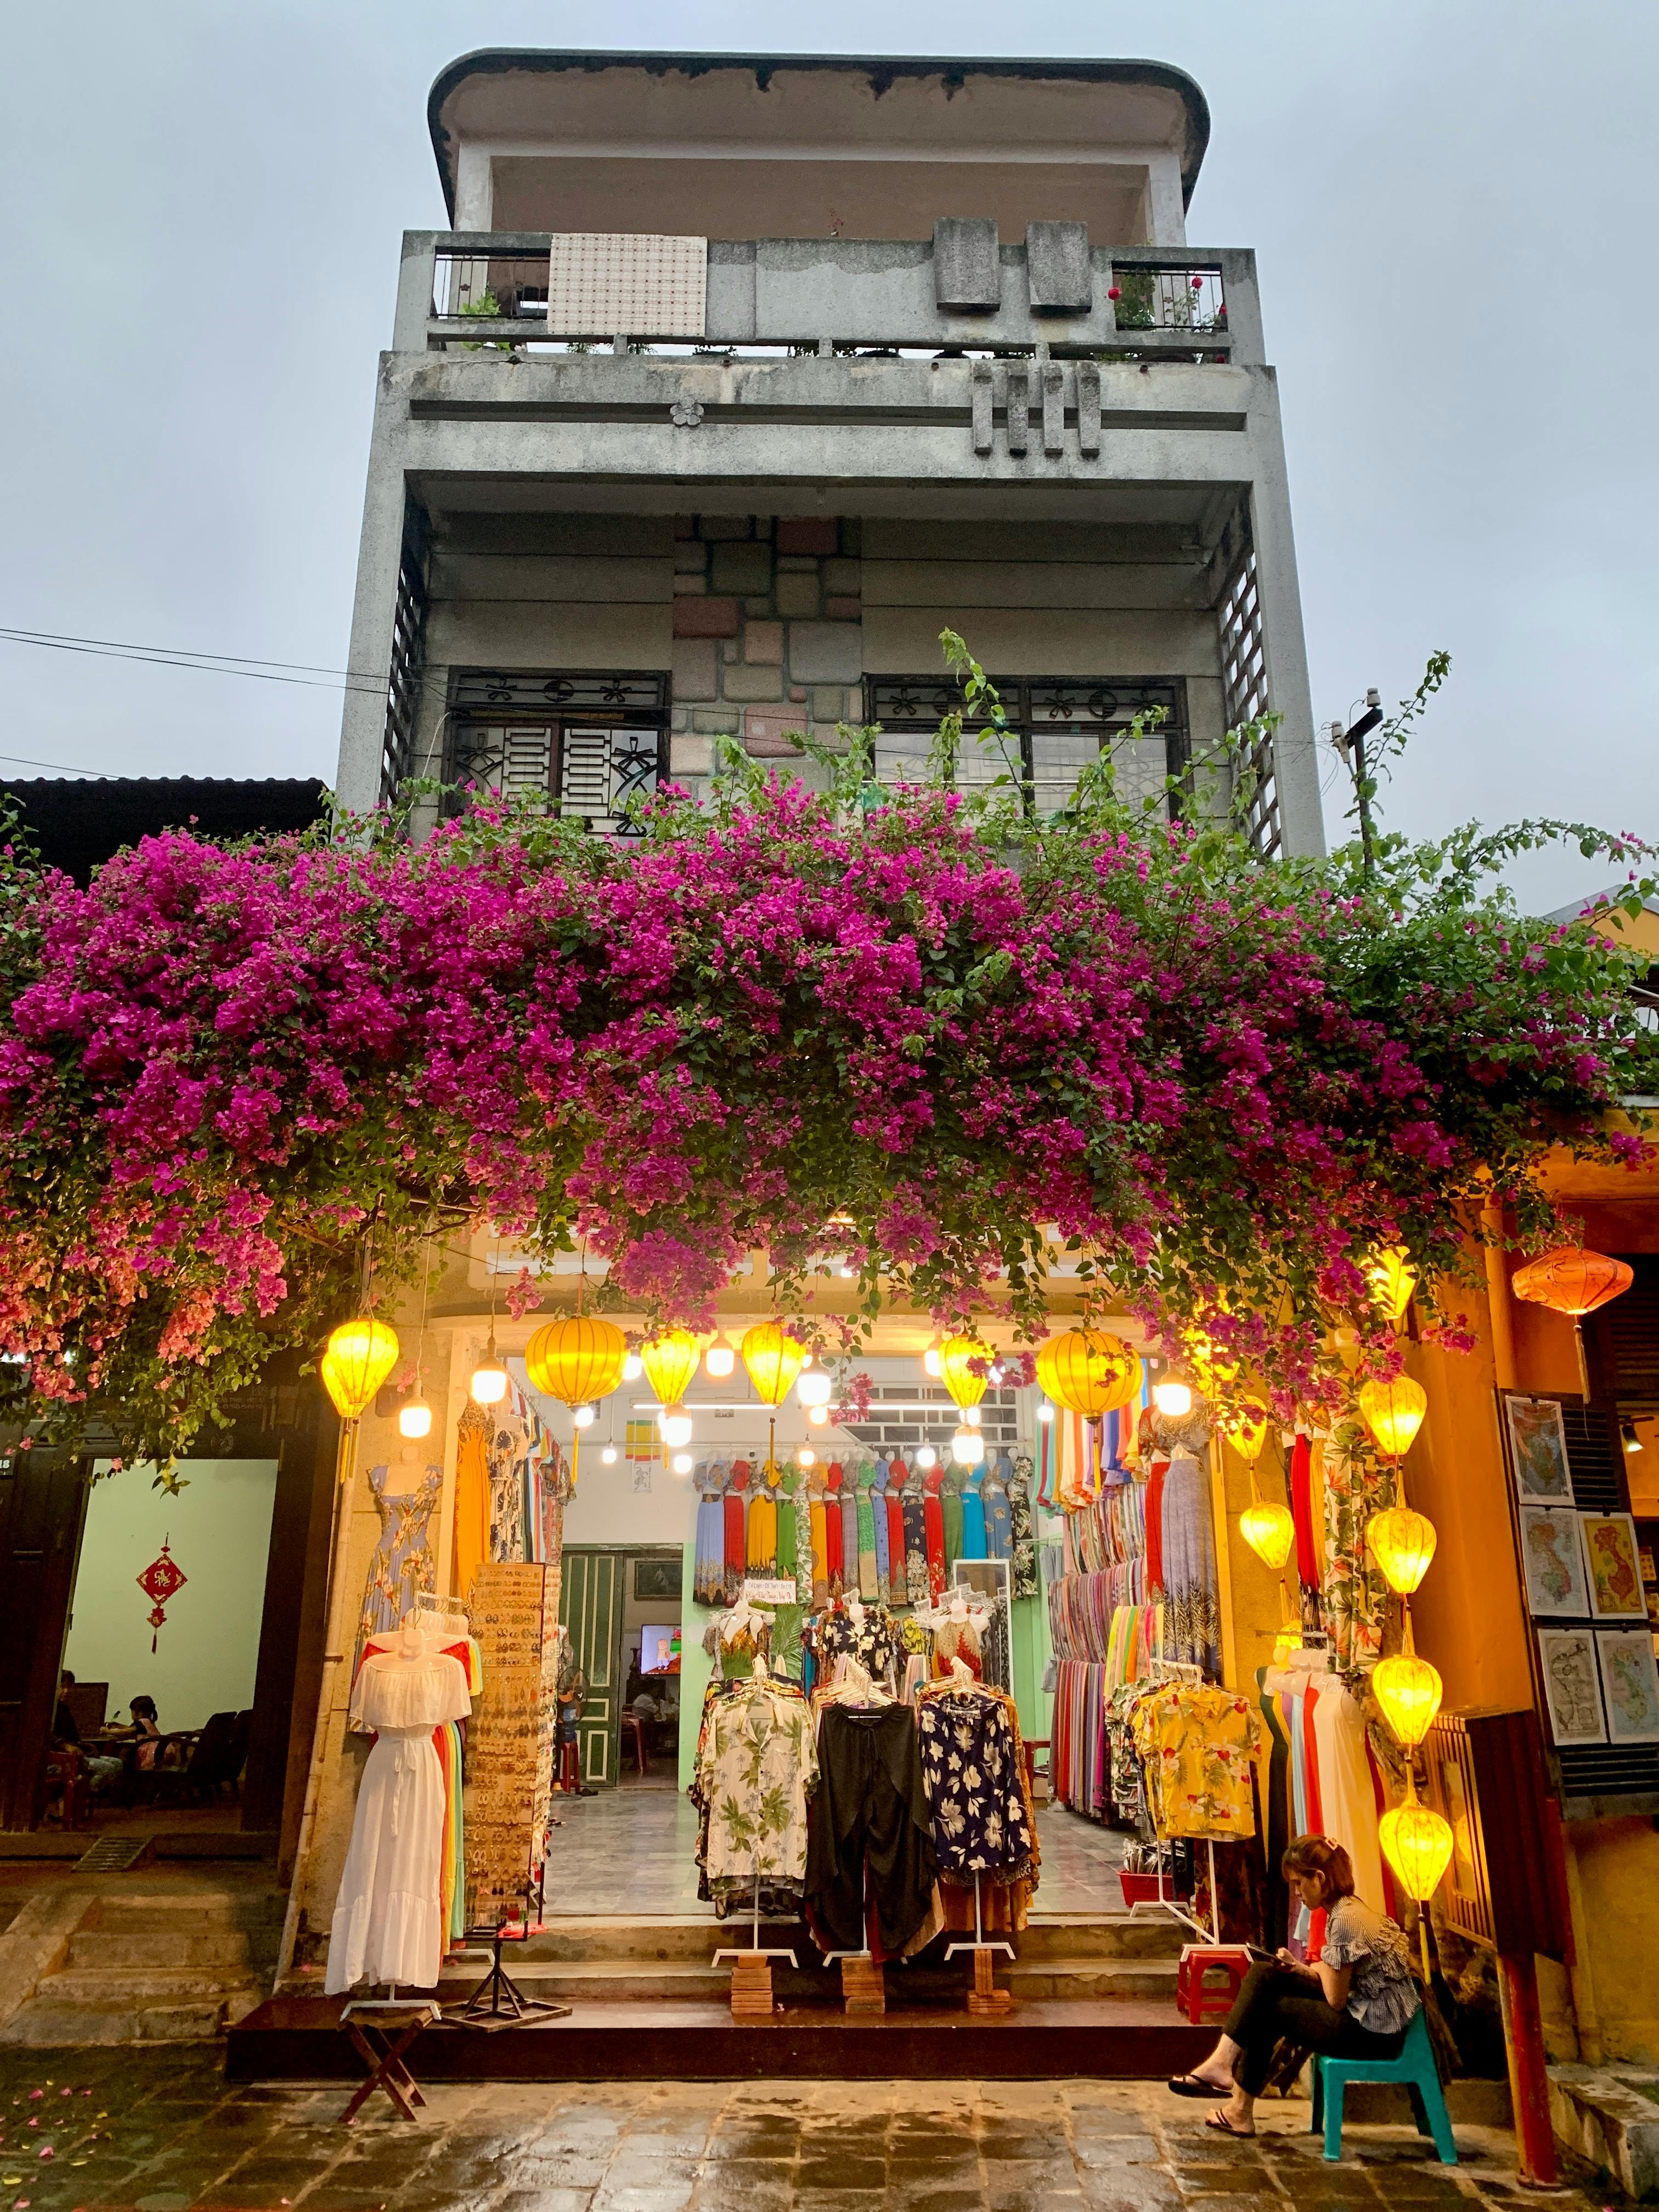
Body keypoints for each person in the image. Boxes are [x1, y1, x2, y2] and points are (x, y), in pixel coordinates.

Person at [1166, 1834, 1420, 2138]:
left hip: (1373, 2032)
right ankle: (1223, 2067)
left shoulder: (1345, 1921)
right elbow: (1339, 1979)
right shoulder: (1344, 1909)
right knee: (1264, 1974)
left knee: (1271, 2010)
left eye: (1300, 1883)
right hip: (1363, 2012)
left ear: (1321, 1879)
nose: (1297, 1892)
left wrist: (1312, 1970)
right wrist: (1301, 1969)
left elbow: (1337, 1999)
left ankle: (1238, 2107)